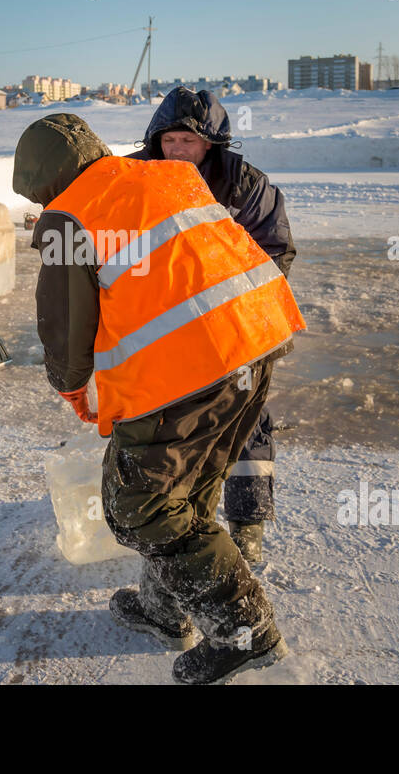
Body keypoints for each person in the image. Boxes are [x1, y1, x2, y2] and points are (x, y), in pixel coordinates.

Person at [13, 112, 306, 684]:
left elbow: (67, 325)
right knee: (188, 487)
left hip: (189, 372)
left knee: (139, 507)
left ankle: (245, 632)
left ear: (41, 180)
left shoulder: (67, 217)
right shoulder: (167, 176)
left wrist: (73, 386)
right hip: (258, 341)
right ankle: (165, 609)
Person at [127, 87, 295, 567]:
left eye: (189, 142)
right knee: (170, 424)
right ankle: (171, 519)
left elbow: (275, 251)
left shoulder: (243, 184)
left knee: (247, 418)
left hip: (233, 325)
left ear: (211, 144)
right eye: (170, 141)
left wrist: (232, 305)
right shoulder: (136, 176)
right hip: (162, 326)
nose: (178, 151)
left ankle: (248, 523)